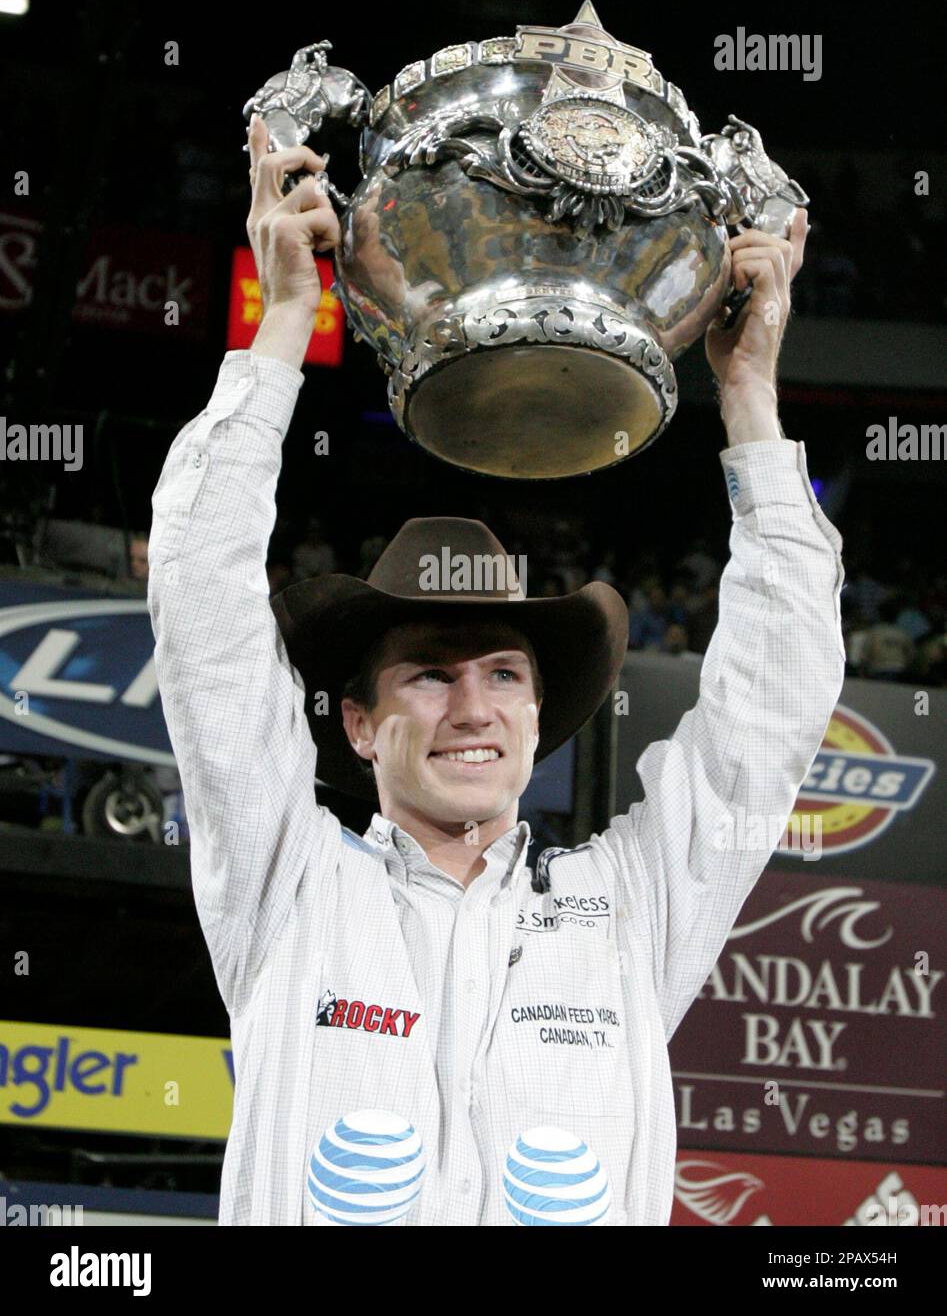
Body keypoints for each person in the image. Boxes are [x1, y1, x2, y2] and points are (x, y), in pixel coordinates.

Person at [147, 113, 845, 1227]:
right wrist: (282, 327)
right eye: (427, 672)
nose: (473, 705)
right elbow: (199, 614)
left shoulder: (627, 911)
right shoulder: (290, 883)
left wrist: (751, 401)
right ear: (360, 725)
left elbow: (774, 706)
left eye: (504, 674)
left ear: (537, 714)